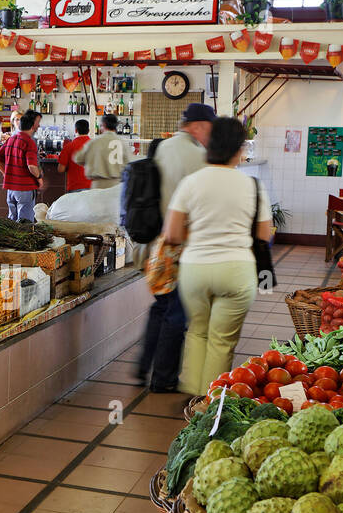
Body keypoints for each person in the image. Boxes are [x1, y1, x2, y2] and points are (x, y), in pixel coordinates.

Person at [163, 116, 273, 399]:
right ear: (239, 149)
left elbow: (172, 234)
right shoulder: (252, 186)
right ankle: (211, 402)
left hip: (195, 270)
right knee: (222, 342)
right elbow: (263, 235)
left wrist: (200, 237)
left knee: (198, 331)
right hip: (237, 271)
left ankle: (192, 396)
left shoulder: (190, 183)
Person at [138, 103, 214, 391]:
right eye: (209, 128)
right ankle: (163, 379)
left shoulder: (163, 148)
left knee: (161, 306)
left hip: (161, 243)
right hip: (184, 245)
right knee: (177, 313)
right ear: (198, 126)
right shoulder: (198, 156)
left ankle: (143, 366)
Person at [0, 109, 42, 222]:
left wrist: (6, 174)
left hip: (11, 189)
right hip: (25, 188)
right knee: (24, 224)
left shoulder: (11, 139)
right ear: (32, 127)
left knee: (12, 223)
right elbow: (32, 167)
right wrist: (39, 178)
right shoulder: (29, 142)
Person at [74, 113, 127, 190]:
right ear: (116, 126)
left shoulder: (94, 142)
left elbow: (78, 159)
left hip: (98, 185)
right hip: (117, 186)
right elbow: (130, 164)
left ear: (103, 125)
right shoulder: (123, 142)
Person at [57, 119, 91, 192]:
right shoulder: (95, 145)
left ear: (76, 130)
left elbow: (60, 169)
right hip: (92, 187)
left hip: (74, 187)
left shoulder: (69, 146)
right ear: (88, 131)